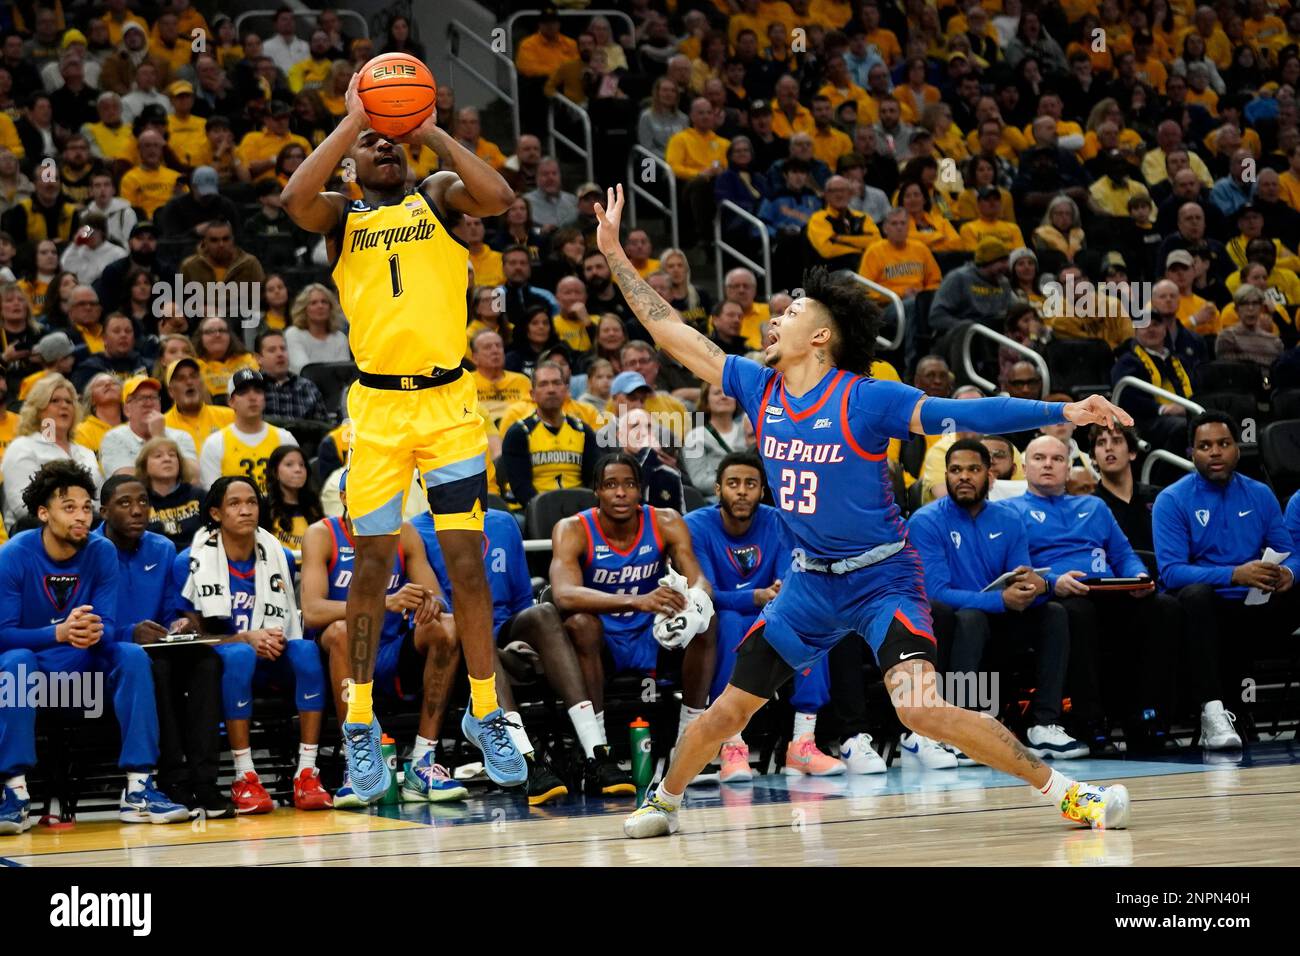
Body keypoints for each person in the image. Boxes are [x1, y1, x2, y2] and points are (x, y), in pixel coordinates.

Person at [592, 184, 1136, 838]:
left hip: (883, 579)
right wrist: (614, 254)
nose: (776, 316)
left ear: (819, 335)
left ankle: (1067, 792)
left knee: (920, 710)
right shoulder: (754, 384)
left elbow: (967, 414)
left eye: (790, 310)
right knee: (726, 711)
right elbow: (666, 328)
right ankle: (666, 801)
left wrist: (1061, 411)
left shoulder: (866, 399)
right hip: (811, 583)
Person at [281, 67, 526, 801]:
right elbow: (295, 201)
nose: (386, 150)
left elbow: (501, 197)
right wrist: (356, 121)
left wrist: (429, 129)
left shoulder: (440, 195)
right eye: (373, 146)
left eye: (396, 144)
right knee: (371, 567)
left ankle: (487, 713)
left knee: (467, 564)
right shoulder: (342, 217)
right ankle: (360, 723)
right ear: (354, 160)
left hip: (449, 406)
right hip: (379, 416)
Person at [0, 461, 188, 835]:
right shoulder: (14, 554)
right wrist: (58, 634)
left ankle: (139, 788)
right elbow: (4, 633)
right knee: (16, 660)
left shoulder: (102, 552)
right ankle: (15, 795)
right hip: (35, 685)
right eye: (68, 507)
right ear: (43, 513)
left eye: (86, 507)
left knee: (131, 654)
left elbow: (107, 624)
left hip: (87, 682)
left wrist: (91, 633)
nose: (81, 516)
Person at [685, 451, 860, 778]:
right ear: (717, 488)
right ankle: (732, 745)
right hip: (720, 619)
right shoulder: (695, 526)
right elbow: (704, 594)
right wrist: (752, 597)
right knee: (731, 622)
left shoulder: (779, 521)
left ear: (763, 490)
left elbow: (790, 582)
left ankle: (802, 743)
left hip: (772, 614)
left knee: (812, 621)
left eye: (750, 484)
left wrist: (774, 598)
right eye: (733, 483)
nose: (741, 491)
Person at [1005, 436, 1178, 754]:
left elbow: (1124, 554)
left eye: (1057, 459)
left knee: (1163, 607)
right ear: (1023, 467)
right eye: (1039, 458)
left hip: (1110, 593)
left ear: (1068, 468)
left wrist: (1138, 575)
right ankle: (1090, 722)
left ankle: (1147, 717)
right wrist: (1053, 582)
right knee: (1077, 612)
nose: (1048, 464)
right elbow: (1013, 568)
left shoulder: (1094, 505)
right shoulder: (1008, 511)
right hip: (1055, 599)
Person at [910, 439, 1080, 762]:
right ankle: (964, 727)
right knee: (970, 618)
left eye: (973, 469)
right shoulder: (926, 521)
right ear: (945, 475)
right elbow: (937, 594)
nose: (964, 477)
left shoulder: (1008, 518)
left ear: (989, 475)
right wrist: (1003, 600)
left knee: (1054, 614)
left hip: (1000, 620)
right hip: (952, 624)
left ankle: (1044, 724)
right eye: (956, 470)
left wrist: (1031, 588)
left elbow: (1019, 574)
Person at [550, 452, 717, 777]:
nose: (621, 493)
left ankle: (690, 737)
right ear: (596, 490)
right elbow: (564, 595)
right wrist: (637, 601)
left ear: (641, 489)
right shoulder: (572, 528)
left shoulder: (666, 520)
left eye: (629, 484)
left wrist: (693, 604)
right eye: (611, 485)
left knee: (707, 622)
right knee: (580, 625)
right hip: (602, 637)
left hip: (651, 630)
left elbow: (699, 580)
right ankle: (597, 749)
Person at [304, 475, 467, 805]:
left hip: (389, 652)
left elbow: (436, 597)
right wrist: (384, 601)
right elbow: (312, 611)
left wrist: (429, 604)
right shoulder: (321, 535)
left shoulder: (404, 534)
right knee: (342, 631)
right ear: (346, 496)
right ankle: (357, 764)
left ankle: (424, 763)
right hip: (339, 659)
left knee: (446, 626)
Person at [174, 475, 330, 812]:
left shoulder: (280, 554)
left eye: (251, 503)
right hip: (219, 666)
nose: (246, 510)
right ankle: (245, 777)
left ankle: (307, 771)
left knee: (305, 649)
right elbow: (189, 636)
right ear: (215, 513)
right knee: (240, 655)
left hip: (271, 656)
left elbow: (293, 620)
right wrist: (245, 637)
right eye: (235, 504)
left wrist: (268, 637)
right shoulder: (189, 561)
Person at [409, 506, 577, 803]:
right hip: (456, 644)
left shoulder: (503, 522)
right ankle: (528, 759)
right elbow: (431, 614)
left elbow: (522, 598)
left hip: (502, 634)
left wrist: (522, 642)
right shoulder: (415, 531)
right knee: (479, 636)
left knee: (543, 612)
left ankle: (595, 752)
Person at [1154, 412, 1300, 748]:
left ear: (1237, 449)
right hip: (1206, 611)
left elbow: (1289, 550)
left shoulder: (1260, 494)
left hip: (1256, 604)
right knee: (1195, 595)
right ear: (1192, 452)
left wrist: (1287, 573)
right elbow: (1172, 572)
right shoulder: (1172, 500)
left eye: (1224, 443)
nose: (1215, 452)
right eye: (1205, 446)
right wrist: (1234, 574)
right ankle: (1213, 713)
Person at [95, 474, 233, 818]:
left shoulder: (162, 547)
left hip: (159, 647)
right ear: (103, 511)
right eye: (125, 503)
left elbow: (172, 609)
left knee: (207, 662)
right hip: (110, 655)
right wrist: (130, 633)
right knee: (158, 669)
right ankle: (172, 778)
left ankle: (204, 781)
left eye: (143, 501)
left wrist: (179, 624)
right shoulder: (91, 552)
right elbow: (88, 623)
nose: (137, 510)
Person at [2, 374, 100, 527]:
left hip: (89, 528)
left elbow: (98, 500)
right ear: (38, 409)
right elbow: (23, 508)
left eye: (69, 401)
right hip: (36, 532)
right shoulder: (22, 447)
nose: (64, 406)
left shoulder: (86, 453)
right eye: (55, 401)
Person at [500, 362, 598, 510]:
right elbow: (521, 487)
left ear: (566, 390)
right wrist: (546, 513)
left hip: (578, 509)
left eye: (556, 383)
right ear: (532, 394)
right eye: (543, 384)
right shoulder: (518, 433)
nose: (551, 389)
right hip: (532, 510)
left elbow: (593, 480)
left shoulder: (583, 431)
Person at [197, 369, 298, 491]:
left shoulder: (285, 439)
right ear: (231, 401)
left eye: (258, 391)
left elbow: (296, 485)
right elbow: (213, 495)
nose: (252, 397)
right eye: (243, 391)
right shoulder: (214, 444)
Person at [98, 374, 198, 477]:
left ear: (160, 405)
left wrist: (159, 437)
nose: (148, 403)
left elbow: (193, 477)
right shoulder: (114, 438)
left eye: (153, 397)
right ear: (127, 409)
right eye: (140, 398)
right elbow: (127, 480)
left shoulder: (181, 436)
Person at [1090, 425, 1158, 552]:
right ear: (1093, 458)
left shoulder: (1160, 498)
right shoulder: (1089, 509)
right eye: (1101, 443)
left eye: (1116, 441)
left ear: (1132, 452)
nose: (1108, 448)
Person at [135, 435, 203, 549]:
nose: (167, 459)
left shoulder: (199, 496)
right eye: (158, 456)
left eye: (172, 455)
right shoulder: (139, 501)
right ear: (144, 466)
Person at [161, 356, 234, 454]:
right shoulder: (163, 426)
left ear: (202, 384)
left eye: (194, 376)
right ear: (171, 391)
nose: (189, 382)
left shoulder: (230, 417)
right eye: (181, 378)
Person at [255, 328, 330, 421]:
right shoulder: (252, 388)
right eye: (272, 350)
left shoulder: (307, 387)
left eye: (283, 349)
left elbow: (324, 429)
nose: (280, 354)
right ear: (258, 358)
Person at [262, 445, 322, 552]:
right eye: (289, 465)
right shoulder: (264, 507)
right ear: (275, 472)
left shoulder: (314, 505)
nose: (298, 470)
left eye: (302, 465)